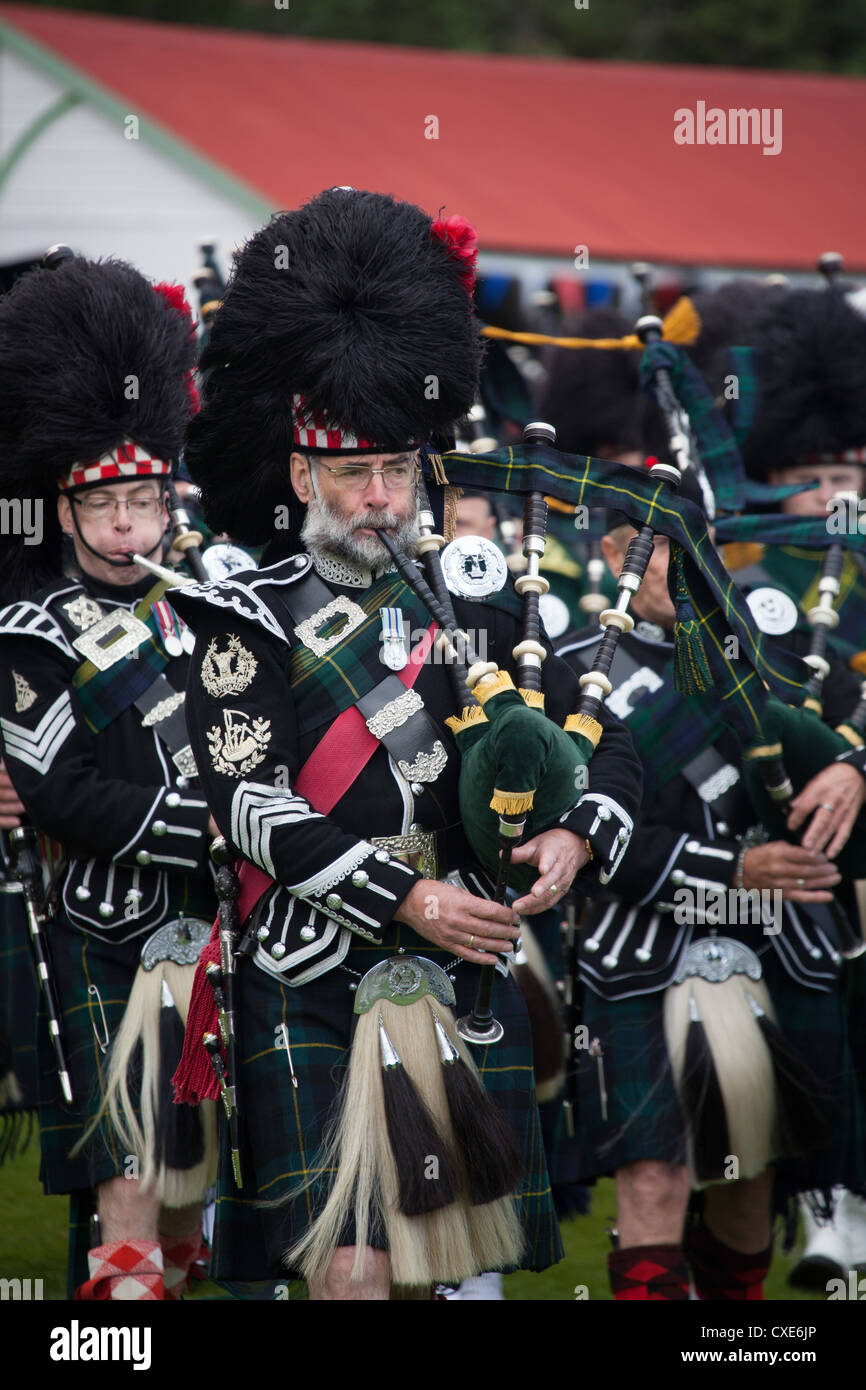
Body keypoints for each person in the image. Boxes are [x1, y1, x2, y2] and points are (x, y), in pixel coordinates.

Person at [170, 187, 642, 1299]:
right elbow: (248, 801)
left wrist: (574, 832)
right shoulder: (248, 613)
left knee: (430, 1272)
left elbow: (603, 733)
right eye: (351, 475)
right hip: (308, 971)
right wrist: (402, 895)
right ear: (302, 478)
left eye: (397, 471)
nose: (379, 498)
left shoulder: (482, 608)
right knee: (350, 1268)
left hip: (453, 972)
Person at [557, 473, 866, 1301]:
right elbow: (588, 834)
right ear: (614, 553)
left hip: (776, 939)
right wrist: (729, 871)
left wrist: (853, 770)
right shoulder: (572, 676)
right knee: (652, 1177)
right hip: (641, 947)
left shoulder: (775, 650)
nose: (683, 568)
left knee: (748, 1183)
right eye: (660, 552)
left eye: (697, 550)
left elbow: (849, 722)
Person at [0, 255, 218, 1301]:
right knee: (126, 1143)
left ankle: (163, 1279)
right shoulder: (31, 631)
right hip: (101, 917)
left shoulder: (209, 608)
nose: (128, 525)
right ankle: (118, 1301)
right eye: (106, 504)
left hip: (217, 919)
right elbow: (57, 789)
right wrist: (209, 829)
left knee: (193, 1145)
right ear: (65, 508)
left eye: (144, 499)